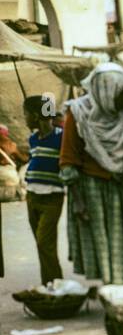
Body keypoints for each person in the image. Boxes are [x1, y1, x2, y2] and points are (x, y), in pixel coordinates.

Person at [59, 61, 123, 285]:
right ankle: (113, 291)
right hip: (93, 189)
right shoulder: (78, 113)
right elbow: (68, 159)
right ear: (103, 91)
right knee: (104, 245)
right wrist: (78, 202)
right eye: (119, 95)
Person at [23, 94, 65, 285]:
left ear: (35, 116)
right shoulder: (33, 139)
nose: (25, 119)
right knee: (43, 245)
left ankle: (55, 282)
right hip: (32, 196)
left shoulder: (61, 137)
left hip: (52, 198)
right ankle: (49, 284)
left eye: (26, 115)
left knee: (44, 242)